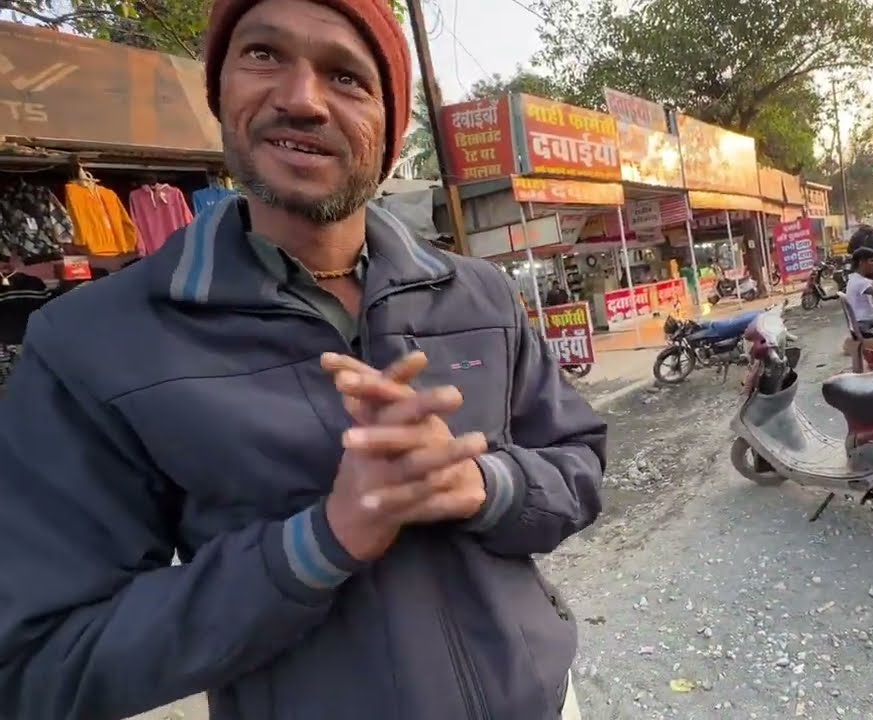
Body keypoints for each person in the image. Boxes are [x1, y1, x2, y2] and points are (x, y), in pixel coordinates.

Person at [0, 1, 605, 719]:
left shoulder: (479, 294)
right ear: (218, 90)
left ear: (389, 127)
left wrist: (482, 483)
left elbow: (579, 463)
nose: (301, 99)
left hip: (540, 701)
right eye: (263, 54)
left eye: (346, 76)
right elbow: (39, 661)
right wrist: (317, 545)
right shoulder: (94, 343)